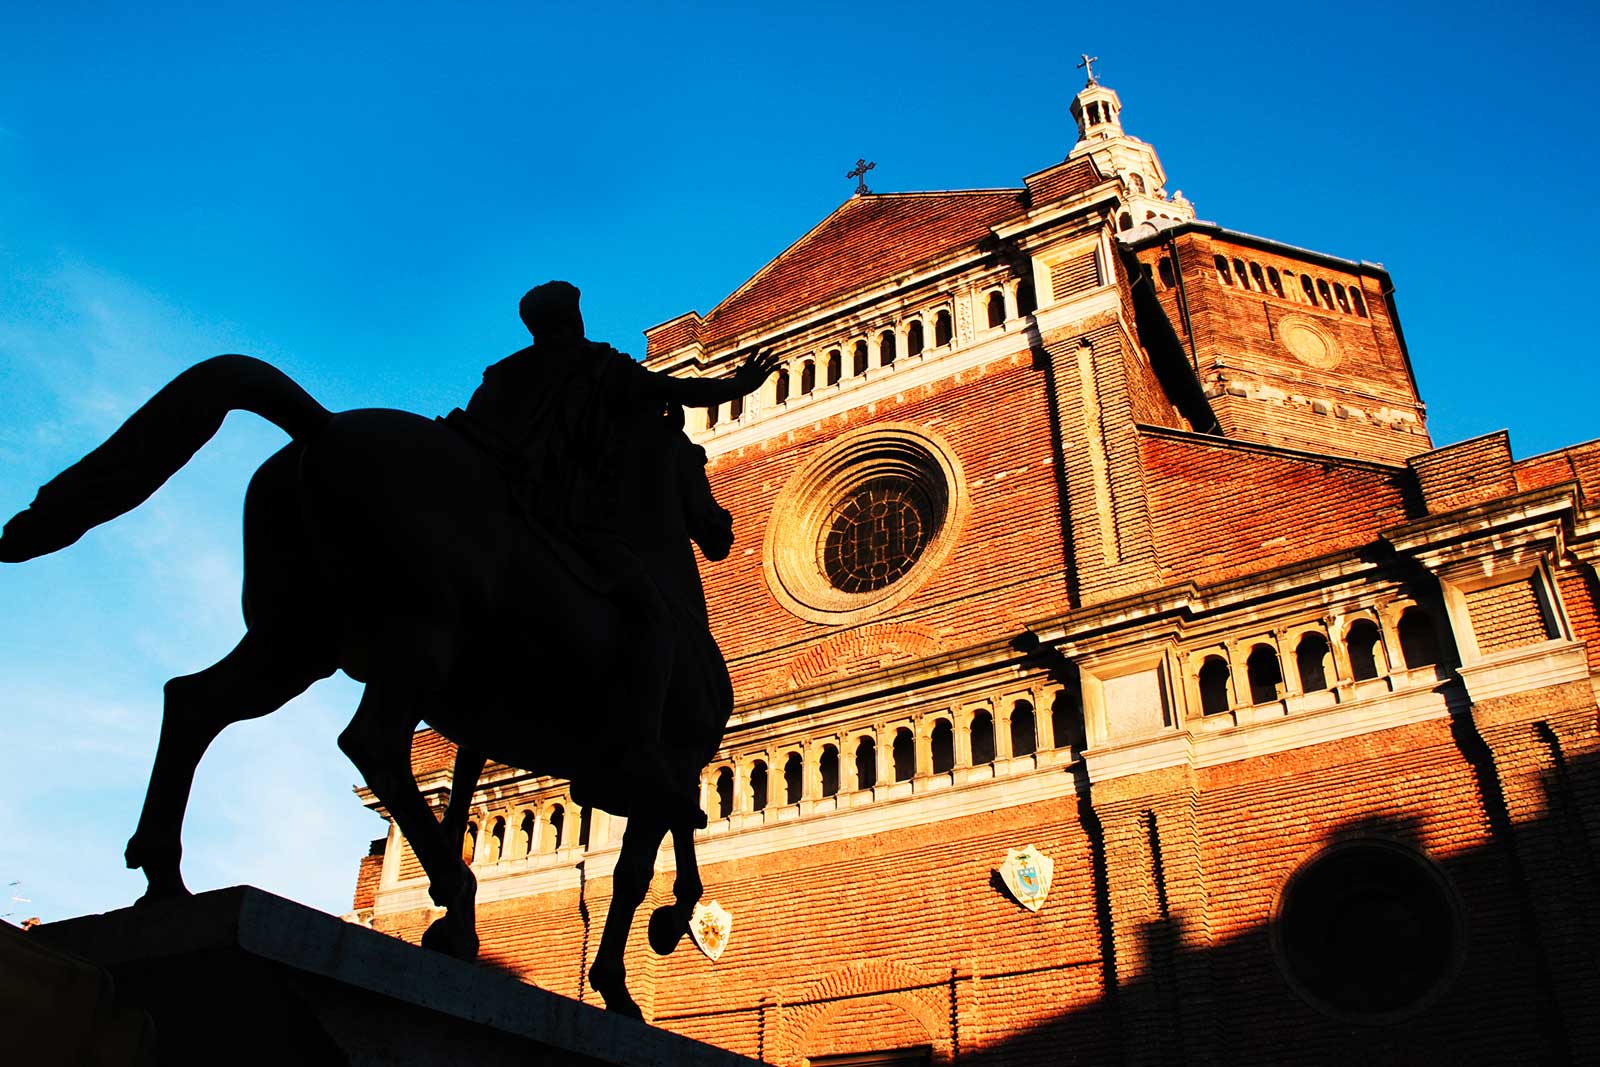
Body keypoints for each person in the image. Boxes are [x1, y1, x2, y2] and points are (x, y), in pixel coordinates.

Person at [449, 282, 774, 818]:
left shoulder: (502, 376)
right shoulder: (595, 364)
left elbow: (474, 440)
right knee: (655, 621)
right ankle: (639, 752)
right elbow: (679, 391)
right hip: (579, 528)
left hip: (519, 522)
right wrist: (742, 383)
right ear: (572, 321)